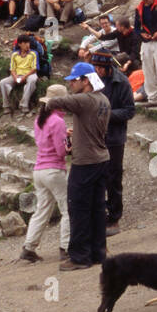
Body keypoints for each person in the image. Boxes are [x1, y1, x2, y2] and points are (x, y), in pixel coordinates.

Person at [45, 63, 111, 270]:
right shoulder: (103, 100)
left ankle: (80, 257)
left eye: (74, 80)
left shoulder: (84, 100)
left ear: (86, 80)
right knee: (97, 208)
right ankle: (98, 253)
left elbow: (54, 102)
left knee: (79, 209)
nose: (71, 84)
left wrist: (46, 99)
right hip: (101, 158)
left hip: (85, 163)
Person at [20, 83, 71, 264]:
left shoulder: (39, 119)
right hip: (54, 170)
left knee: (42, 210)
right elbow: (61, 151)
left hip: (39, 169)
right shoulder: (58, 121)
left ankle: (29, 247)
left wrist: (65, 135)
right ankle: (66, 247)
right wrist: (69, 142)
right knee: (68, 209)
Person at [90, 46, 135, 235]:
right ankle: (100, 213)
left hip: (115, 137)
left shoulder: (121, 83)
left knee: (114, 176)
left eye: (99, 68)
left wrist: (106, 114)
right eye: (95, 67)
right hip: (96, 134)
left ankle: (115, 217)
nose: (97, 71)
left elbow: (129, 111)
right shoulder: (94, 80)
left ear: (107, 66)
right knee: (97, 175)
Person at [0, 35, 39, 113]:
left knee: (32, 80)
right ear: (19, 44)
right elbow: (12, 69)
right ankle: (6, 106)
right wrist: (15, 78)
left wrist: (24, 77)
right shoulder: (14, 54)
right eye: (24, 43)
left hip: (29, 74)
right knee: (3, 82)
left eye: (28, 42)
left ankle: (24, 105)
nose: (27, 45)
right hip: (17, 75)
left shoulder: (33, 53)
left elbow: (34, 69)